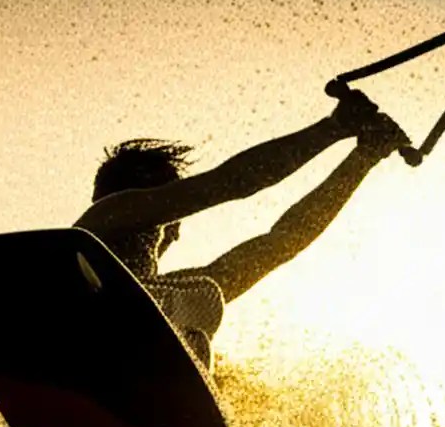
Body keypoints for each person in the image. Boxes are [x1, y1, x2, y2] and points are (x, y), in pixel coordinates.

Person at [73, 91, 410, 367]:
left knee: (208, 289)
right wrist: (334, 128)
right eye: (172, 221)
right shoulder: (108, 215)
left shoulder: (176, 297)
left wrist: (363, 158)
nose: (175, 234)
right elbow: (233, 183)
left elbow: (283, 242)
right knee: (203, 291)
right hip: (84, 328)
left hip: (131, 349)